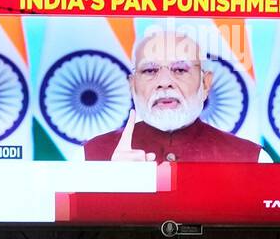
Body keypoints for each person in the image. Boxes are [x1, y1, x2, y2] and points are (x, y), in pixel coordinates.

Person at [83, 27, 267, 163]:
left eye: (180, 69)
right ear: (132, 85)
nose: (164, 82)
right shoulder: (89, 156)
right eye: (149, 70)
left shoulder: (253, 159)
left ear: (205, 84)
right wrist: (108, 182)